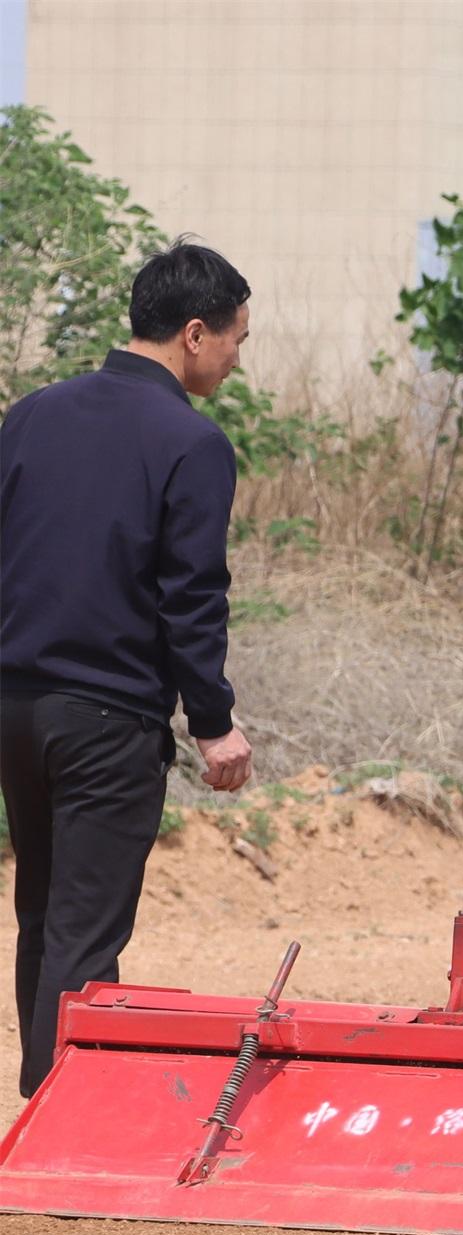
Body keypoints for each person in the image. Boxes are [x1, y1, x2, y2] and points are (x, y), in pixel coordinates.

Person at [0, 240, 255, 1097]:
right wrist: (212, 723)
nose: (235, 358)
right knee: (85, 934)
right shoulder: (192, 442)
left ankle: (40, 1104)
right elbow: (192, 596)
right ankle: (59, 1124)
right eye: (235, 339)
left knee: (43, 913)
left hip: (15, 706)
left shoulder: (32, 414)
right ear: (194, 333)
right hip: (107, 722)